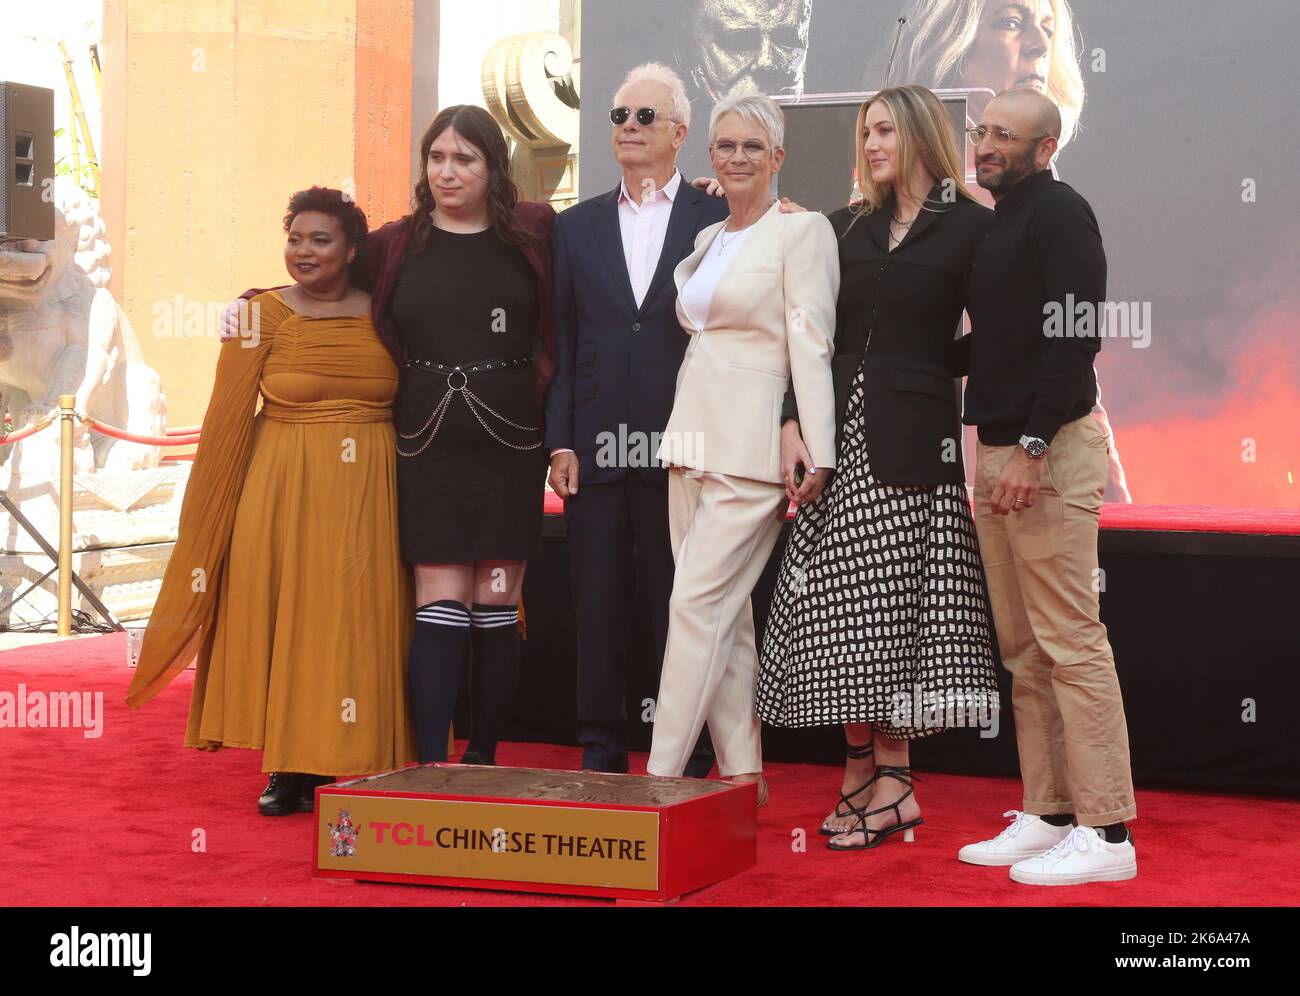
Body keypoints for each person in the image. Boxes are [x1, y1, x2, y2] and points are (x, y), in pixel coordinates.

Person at [222, 106, 556, 768]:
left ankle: (483, 756)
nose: (447, 171)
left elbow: (583, 295)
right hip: (426, 446)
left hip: (512, 444)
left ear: (493, 167)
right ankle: (431, 764)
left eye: (464, 159)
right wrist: (254, 296)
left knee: (494, 601)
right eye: (436, 157)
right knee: (440, 601)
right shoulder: (397, 244)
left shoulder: (538, 232)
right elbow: (322, 269)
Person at [759, 85, 1001, 849]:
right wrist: (792, 420)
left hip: (912, 448)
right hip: (835, 448)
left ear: (925, 134)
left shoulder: (968, 228)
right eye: (867, 131)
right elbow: (806, 337)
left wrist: (931, 370)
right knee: (839, 615)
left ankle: (894, 779)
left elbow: (996, 333)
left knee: (896, 614)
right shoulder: (841, 227)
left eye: (886, 130)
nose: (870, 144)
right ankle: (862, 770)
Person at [127, 187, 416, 815]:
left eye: (320, 239)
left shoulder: (388, 315)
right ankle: (291, 766)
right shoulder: (258, 316)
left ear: (351, 250)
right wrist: (214, 518)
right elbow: (227, 421)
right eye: (294, 239)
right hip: (281, 490)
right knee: (295, 617)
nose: (303, 251)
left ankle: (365, 756)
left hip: (370, 487)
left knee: (359, 618)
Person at [955, 88, 1137, 884]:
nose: (986, 144)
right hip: (997, 454)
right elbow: (999, 342)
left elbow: (1075, 336)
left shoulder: (1062, 213)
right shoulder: (1002, 222)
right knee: (1025, 651)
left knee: (1071, 644)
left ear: (1047, 145)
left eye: (1004, 135)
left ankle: (1109, 835)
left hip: (1048, 453)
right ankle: (1048, 811)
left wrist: (1031, 447)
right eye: (982, 131)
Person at [646, 91, 838, 806]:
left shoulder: (803, 233)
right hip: (689, 442)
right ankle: (743, 779)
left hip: (752, 449)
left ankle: (660, 782)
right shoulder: (708, 238)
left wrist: (818, 447)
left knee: (695, 606)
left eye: (752, 146)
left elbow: (811, 343)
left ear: (779, 157)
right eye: (725, 145)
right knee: (725, 616)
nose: (736, 157)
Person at [543, 63, 726, 776]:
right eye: (619, 115)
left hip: (686, 447)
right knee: (597, 607)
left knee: (679, 605)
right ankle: (601, 748)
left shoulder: (717, 219)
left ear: (680, 132)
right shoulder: (574, 226)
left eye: (645, 117)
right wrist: (559, 439)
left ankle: (690, 752)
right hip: (593, 447)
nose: (628, 128)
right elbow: (560, 336)